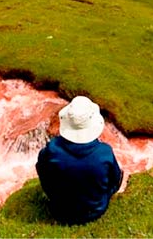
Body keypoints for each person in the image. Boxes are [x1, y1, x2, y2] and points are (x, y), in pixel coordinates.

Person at [36, 96, 124, 224]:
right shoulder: (105, 152)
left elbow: (41, 169)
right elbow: (114, 180)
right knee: (118, 174)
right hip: (95, 210)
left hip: (60, 210)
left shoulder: (52, 149)